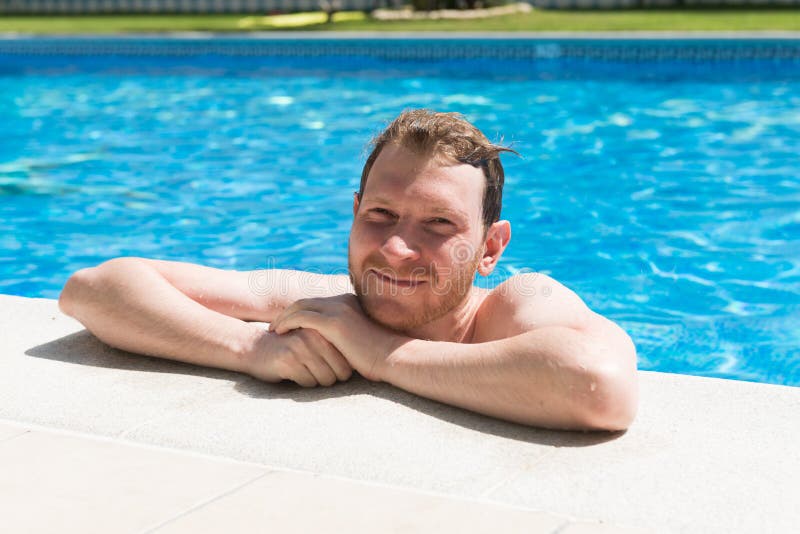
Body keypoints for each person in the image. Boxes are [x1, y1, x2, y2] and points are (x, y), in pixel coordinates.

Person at [59, 109, 638, 432]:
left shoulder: (517, 303)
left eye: (439, 224)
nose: (397, 249)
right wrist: (250, 348)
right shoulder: (327, 300)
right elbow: (94, 289)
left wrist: (381, 355)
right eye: (381, 215)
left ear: (489, 248)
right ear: (356, 212)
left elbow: (597, 385)